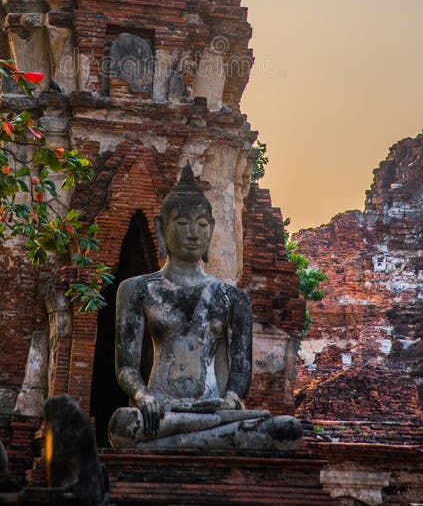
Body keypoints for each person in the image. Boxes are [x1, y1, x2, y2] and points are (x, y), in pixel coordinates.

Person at [108, 164, 302, 451]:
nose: (193, 233)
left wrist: (232, 398)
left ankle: (177, 442)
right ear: (161, 227)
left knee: (287, 430)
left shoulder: (232, 297)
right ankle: (197, 440)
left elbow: (240, 373)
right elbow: (126, 366)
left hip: (214, 411)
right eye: (183, 222)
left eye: (201, 224)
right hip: (160, 410)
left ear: (211, 228)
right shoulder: (138, 289)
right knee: (123, 426)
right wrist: (142, 397)